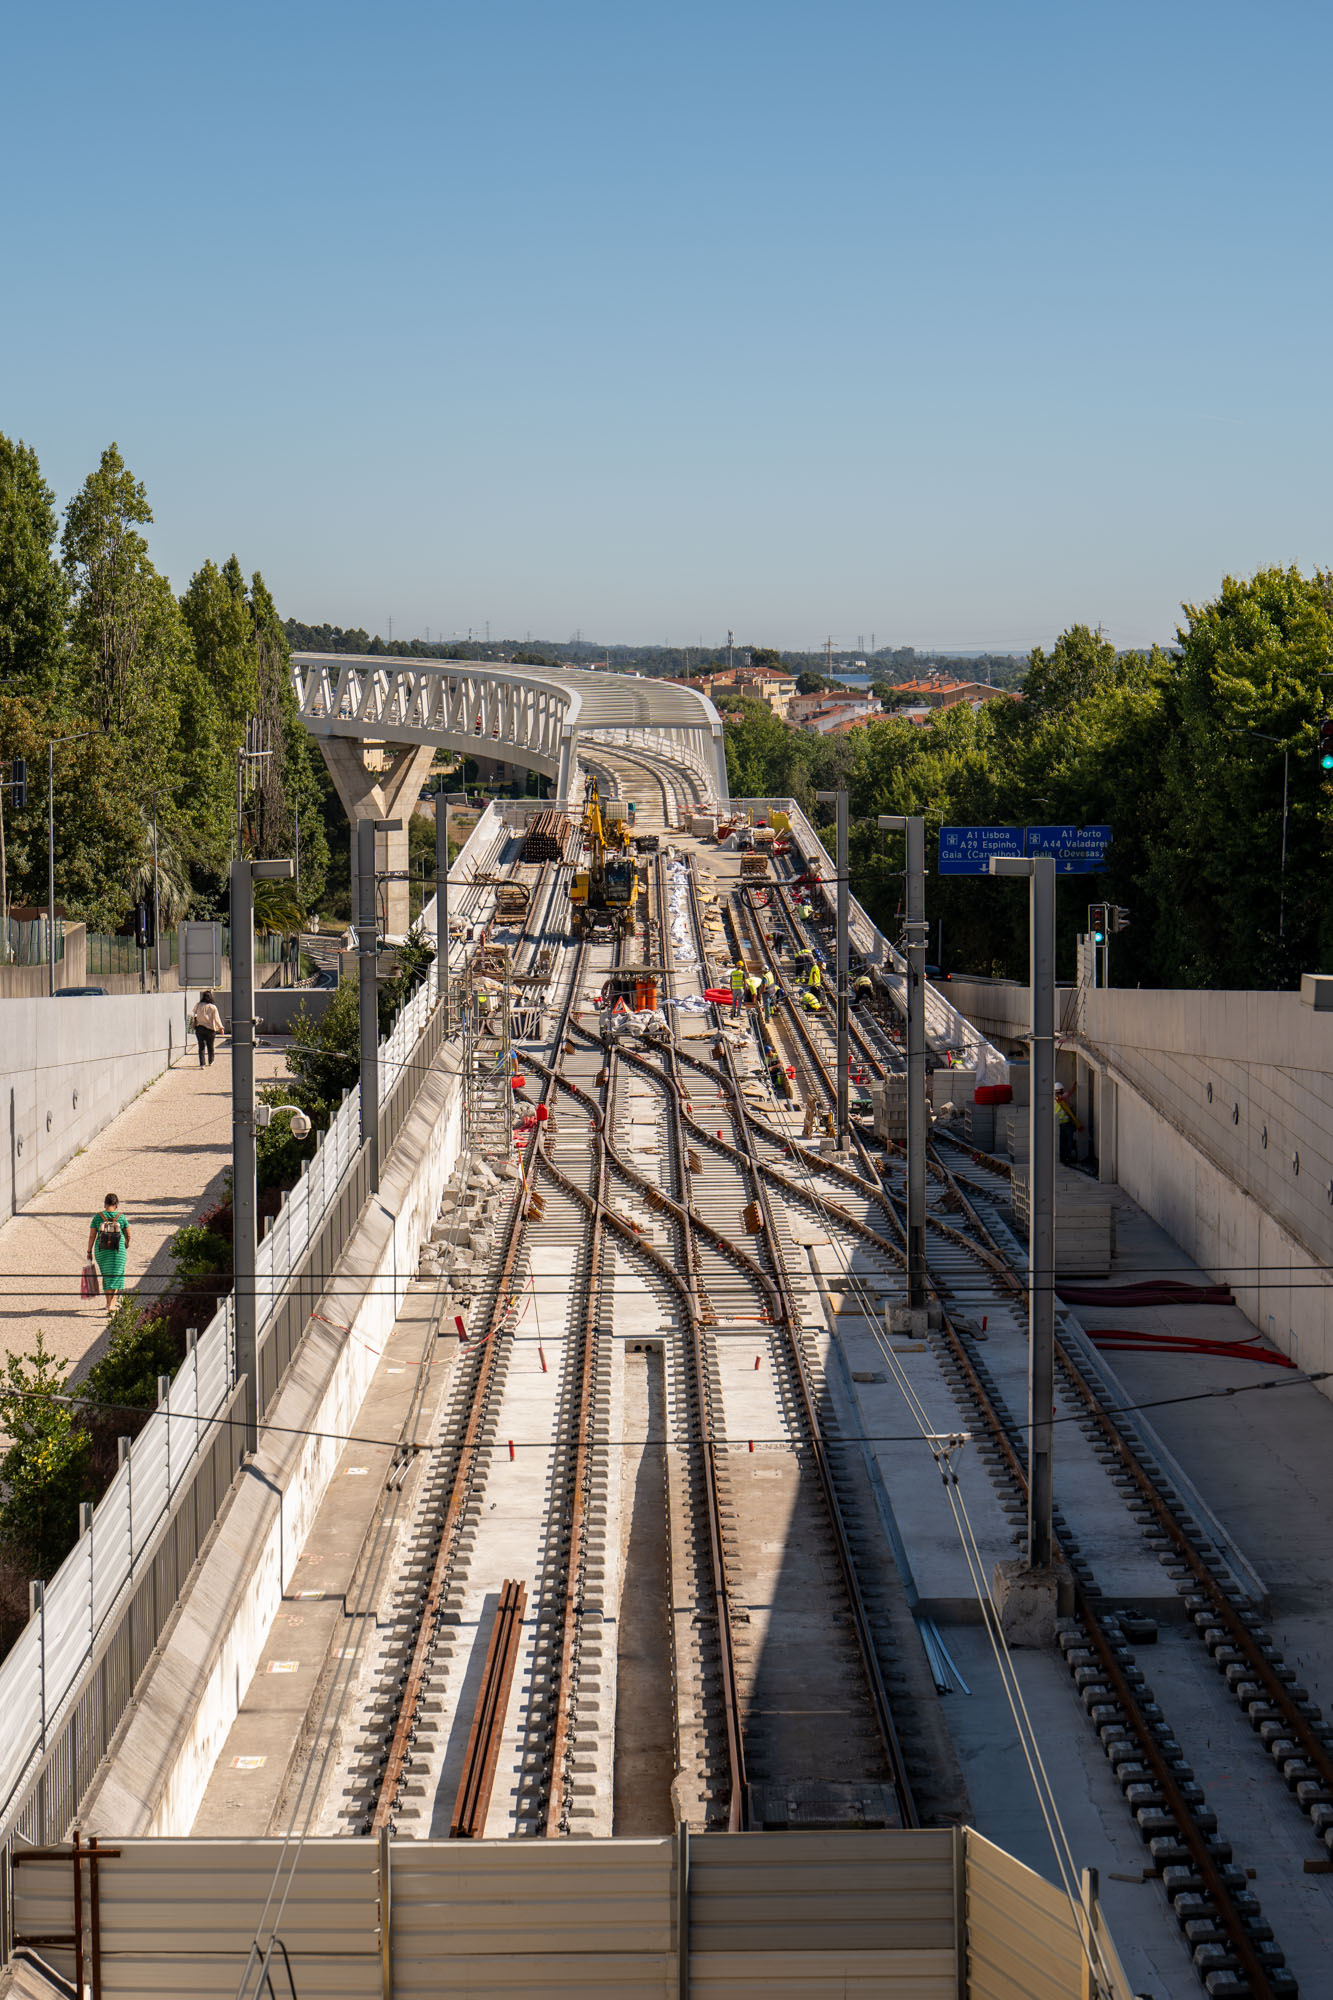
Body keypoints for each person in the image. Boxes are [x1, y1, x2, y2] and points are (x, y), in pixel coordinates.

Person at [87, 1193, 131, 1317]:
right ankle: (112, 1304)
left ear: (105, 1203)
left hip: (102, 1251)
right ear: (116, 1204)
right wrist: (126, 1243)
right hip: (118, 1251)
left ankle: (108, 1303)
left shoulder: (98, 1217)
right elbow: (128, 1234)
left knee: (106, 1276)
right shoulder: (121, 1217)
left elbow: (92, 1236)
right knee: (116, 1275)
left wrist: (89, 1251)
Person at [191, 990, 223, 1066]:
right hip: (210, 1029)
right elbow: (216, 1018)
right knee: (210, 1046)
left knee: (201, 1047)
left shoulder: (198, 1005)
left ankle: (202, 1063)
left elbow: (193, 1013)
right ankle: (211, 1061)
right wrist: (221, 1028)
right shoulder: (213, 1007)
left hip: (199, 1028)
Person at [1055, 1083, 1083, 1166]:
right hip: (1066, 1124)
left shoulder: (1053, 1100)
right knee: (1068, 1141)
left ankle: (1063, 1157)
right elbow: (1071, 1091)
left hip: (1059, 1125)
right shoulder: (1063, 1097)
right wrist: (1075, 1085)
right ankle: (1067, 1157)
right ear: (1062, 1090)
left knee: (1062, 1142)